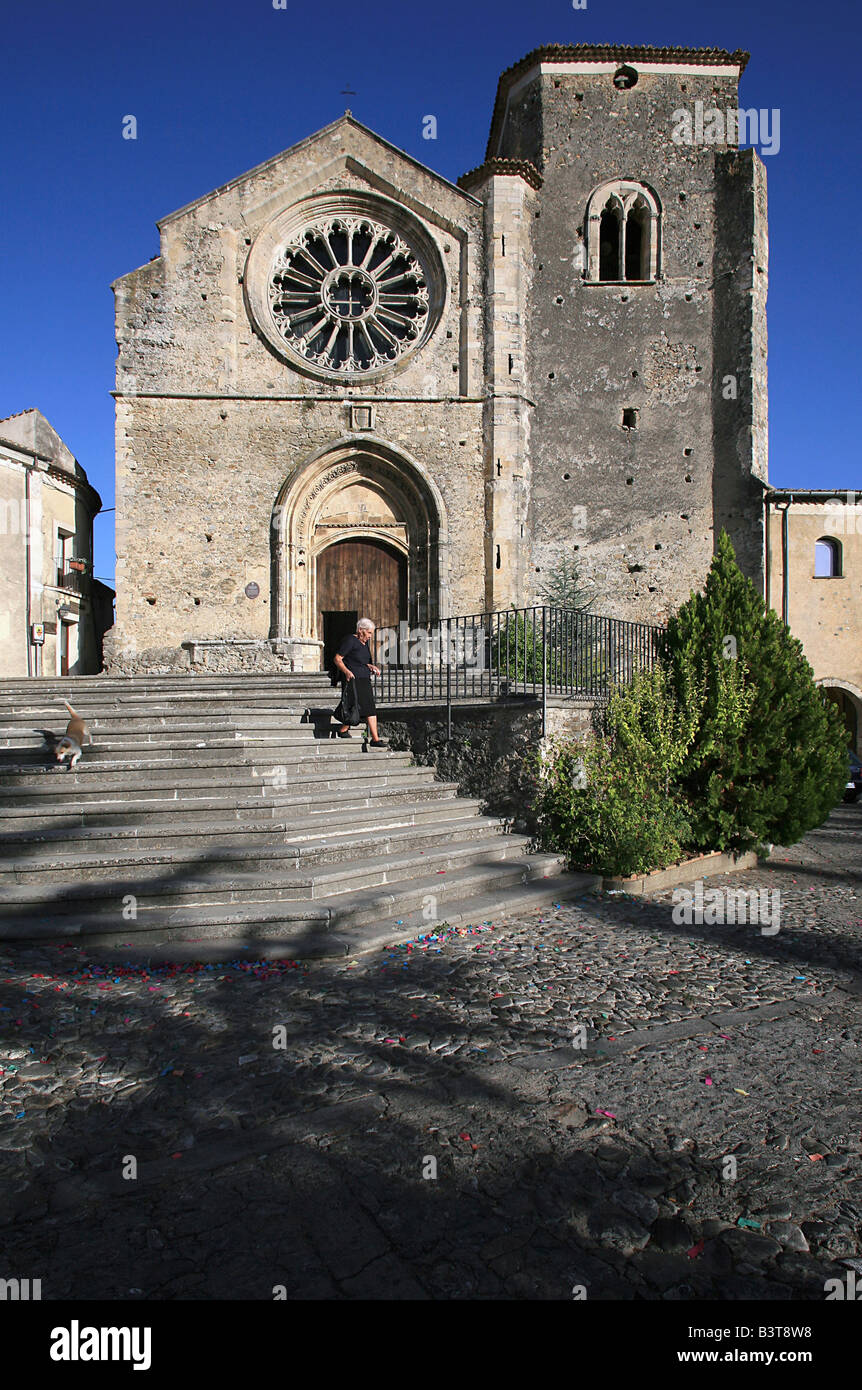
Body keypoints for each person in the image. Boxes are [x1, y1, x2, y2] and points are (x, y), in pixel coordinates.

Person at [332, 618, 389, 747]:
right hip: (353, 679)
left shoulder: (364, 643)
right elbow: (337, 659)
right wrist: (346, 672)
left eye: (371, 633)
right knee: (356, 707)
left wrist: (370, 666)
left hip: (364, 679)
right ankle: (374, 739)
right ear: (360, 630)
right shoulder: (350, 640)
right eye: (368, 633)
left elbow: (361, 661)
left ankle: (345, 730)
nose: (370, 636)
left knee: (367, 707)